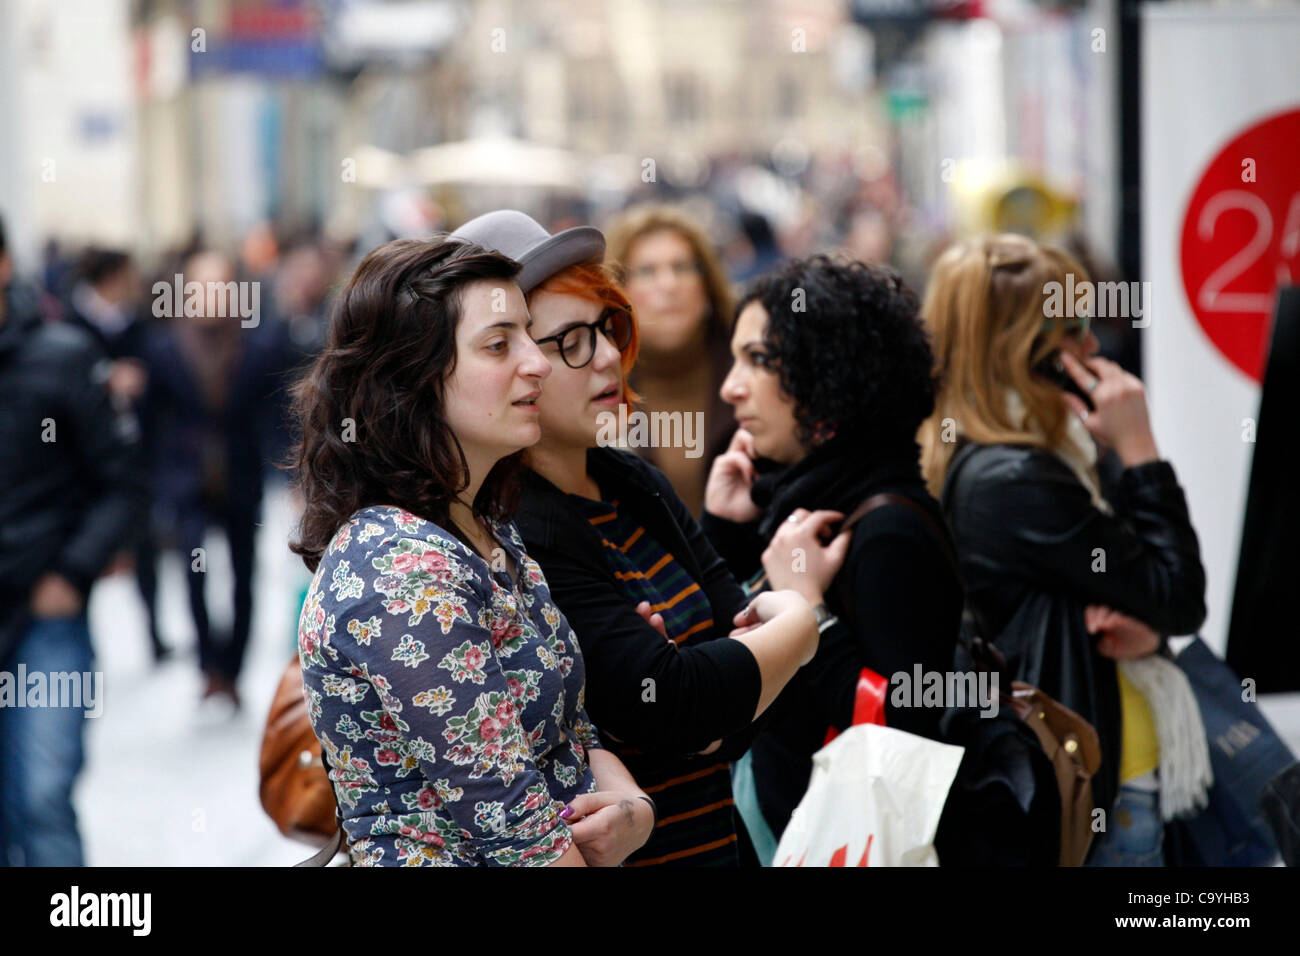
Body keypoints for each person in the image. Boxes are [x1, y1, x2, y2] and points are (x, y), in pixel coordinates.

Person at [452, 210, 844, 867]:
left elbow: (720, 700)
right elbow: (681, 701)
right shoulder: (521, 525)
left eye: (606, 328)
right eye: (570, 341)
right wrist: (799, 622)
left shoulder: (627, 476)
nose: (606, 355)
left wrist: (712, 702)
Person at [288, 235, 654, 866]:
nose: (536, 362)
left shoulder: (483, 525)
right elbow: (519, 837)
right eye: (497, 343)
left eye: (528, 335)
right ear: (414, 378)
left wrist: (631, 808)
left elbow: (570, 730)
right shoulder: (400, 565)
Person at [918, 234, 1209, 865]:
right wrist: (1141, 452)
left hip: (1103, 768)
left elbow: (1138, 592)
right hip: (1101, 792)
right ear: (1025, 351)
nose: (1092, 345)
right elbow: (1179, 595)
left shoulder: (1033, 453)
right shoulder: (1018, 477)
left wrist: (1147, 628)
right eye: (1074, 328)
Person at [702, 254, 965, 853]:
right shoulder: (799, 503)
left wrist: (807, 610)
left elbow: (901, 731)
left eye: (759, 360)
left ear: (828, 379)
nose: (730, 385)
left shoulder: (888, 528)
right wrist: (724, 526)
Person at [0, 214, 148, 865]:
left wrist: (72, 572)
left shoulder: (61, 355)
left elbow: (122, 481)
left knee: (41, 795)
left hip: (44, 616)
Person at [138, 250, 296, 707]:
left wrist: (292, 473)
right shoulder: (164, 346)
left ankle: (233, 670)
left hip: (240, 472)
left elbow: (277, 414)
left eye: (219, 284)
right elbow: (151, 420)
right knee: (192, 569)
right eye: (201, 285)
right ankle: (207, 663)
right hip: (186, 477)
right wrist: (147, 481)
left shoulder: (259, 343)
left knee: (244, 574)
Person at [605, 204, 737, 515]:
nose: (668, 284)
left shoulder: (754, 367)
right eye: (647, 272)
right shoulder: (595, 380)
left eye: (682, 267)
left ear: (706, 283)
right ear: (618, 291)